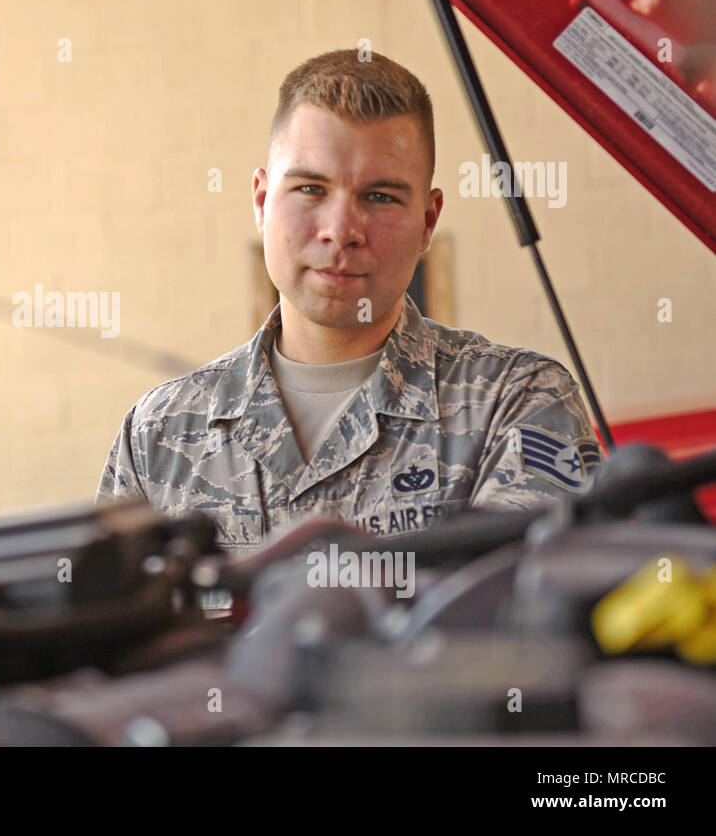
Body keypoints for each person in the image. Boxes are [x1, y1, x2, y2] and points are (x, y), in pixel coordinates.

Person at [97, 50, 602, 549]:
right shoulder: (156, 436)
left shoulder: (513, 405)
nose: (341, 231)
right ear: (261, 201)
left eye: (380, 196)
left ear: (428, 221)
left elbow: (534, 610)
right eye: (311, 188)